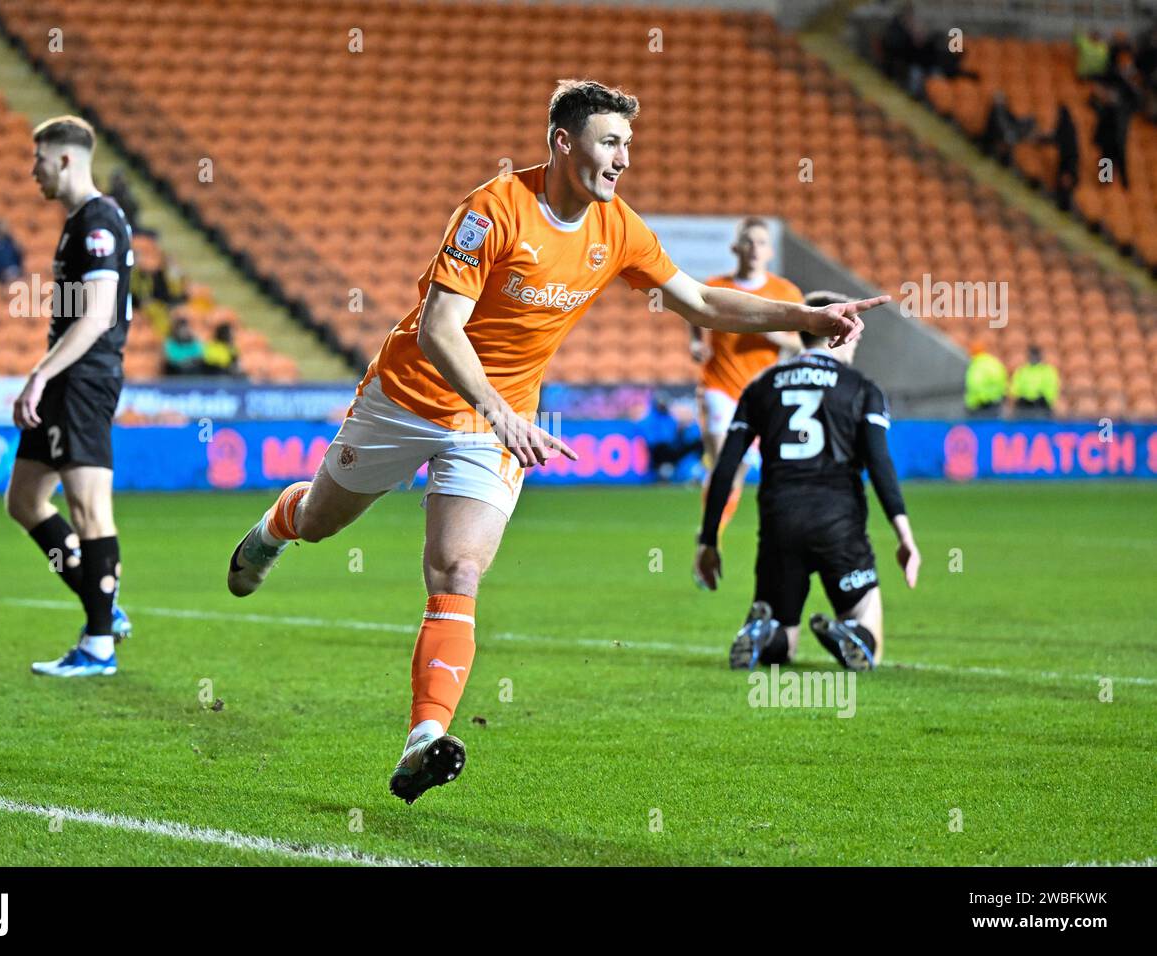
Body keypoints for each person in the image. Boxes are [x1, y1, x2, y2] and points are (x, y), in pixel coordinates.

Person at [223, 79, 886, 804]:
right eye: (610, 142)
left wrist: (807, 319)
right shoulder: (493, 209)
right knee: (322, 521)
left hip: (495, 422)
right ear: (563, 142)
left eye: (628, 144)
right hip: (409, 396)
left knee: (457, 570)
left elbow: (699, 301)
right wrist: (497, 410)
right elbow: (440, 329)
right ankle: (276, 526)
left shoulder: (618, 227)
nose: (623, 158)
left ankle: (423, 738)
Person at [693, 292, 920, 673]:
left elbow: (726, 466)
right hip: (838, 523)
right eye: (855, 335)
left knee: (783, 643)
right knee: (871, 638)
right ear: (839, 334)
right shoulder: (860, 388)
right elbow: (879, 464)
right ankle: (854, 633)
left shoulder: (762, 386)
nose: (855, 344)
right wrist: (904, 536)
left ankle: (764, 633)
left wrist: (709, 541)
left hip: (779, 522)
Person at [5, 116, 135, 678]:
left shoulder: (98, 222)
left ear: (64, 158)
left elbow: (99, 314)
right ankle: (102, 603)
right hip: (69, 378)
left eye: (38, 158)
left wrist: (40, 373)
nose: (32, 169)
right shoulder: (81, 221)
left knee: (88, 508)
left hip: (84, 378)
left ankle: (99, 643)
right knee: (25, 499)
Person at [688, 217, 802, 538]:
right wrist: (696, 341)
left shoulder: (785, 292)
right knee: (723, 460)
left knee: (736, 470)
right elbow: (693, 311)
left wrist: (777, 337)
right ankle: (710, 532)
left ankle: (713, 526)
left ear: (769, 251)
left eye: (761, 243)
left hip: (759, 395)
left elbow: (803, 341)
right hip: (718, 387)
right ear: (735, 248)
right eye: (748, 241)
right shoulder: (717, 286)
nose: (754, 248)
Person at [1009, 346, 1059, 417]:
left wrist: (1044, 397)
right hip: (1024, 403)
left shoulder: (1048, 371)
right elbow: (1015, 388)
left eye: (1035, 355)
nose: (1033, 358)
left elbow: (1052, 388)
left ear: (1040, 356)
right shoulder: (1022, 370)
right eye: (1031, 355)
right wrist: (1020, 396)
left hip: (1042, 404)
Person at [965, 340, 1007, 416]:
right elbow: (1002, 380)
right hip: (994, 402)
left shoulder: (977, 364)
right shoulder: (994, 362)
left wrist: (979, 398)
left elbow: (975, 384)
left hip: (979, 404)